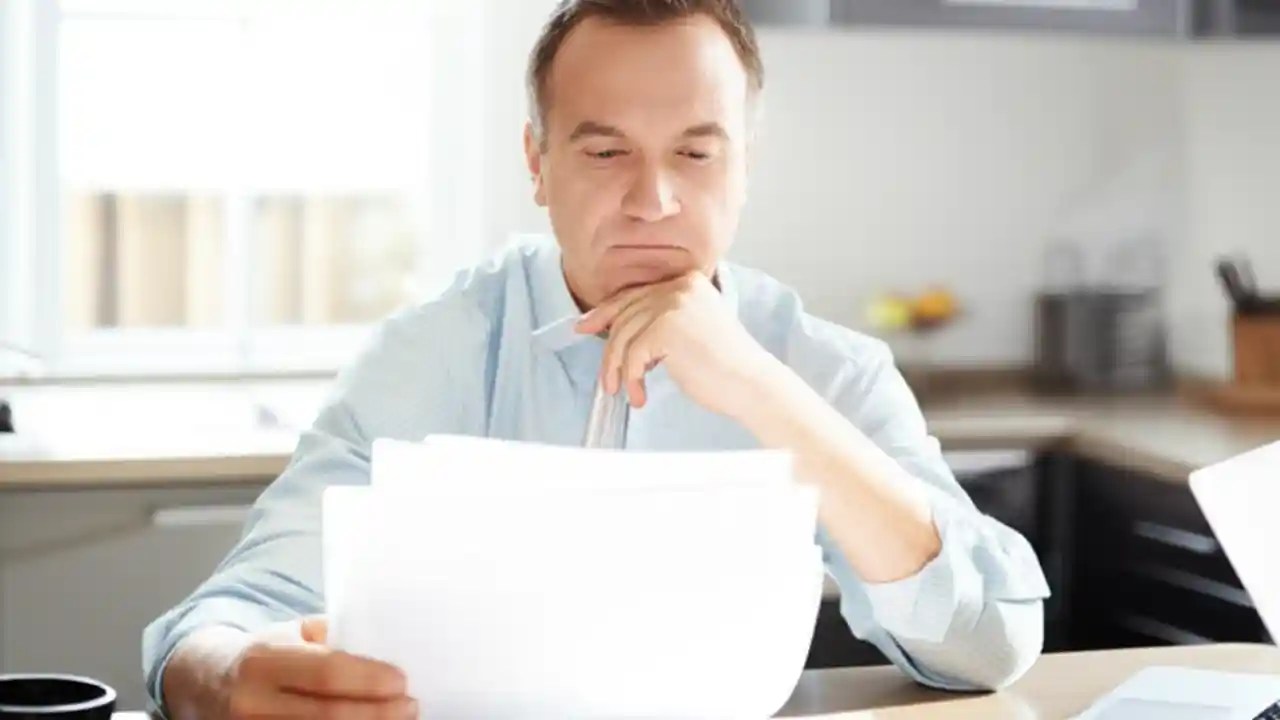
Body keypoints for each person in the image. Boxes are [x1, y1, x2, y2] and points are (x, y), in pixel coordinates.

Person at [144, 1, 1050, 717]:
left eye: (695, 153)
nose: (652, 200)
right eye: (607, 150)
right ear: (538, 163)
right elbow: (224, 620)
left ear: (745, 165)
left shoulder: (823, 369)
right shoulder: (443, 350)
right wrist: (219, 677)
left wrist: (761, 392)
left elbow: (993, 644)